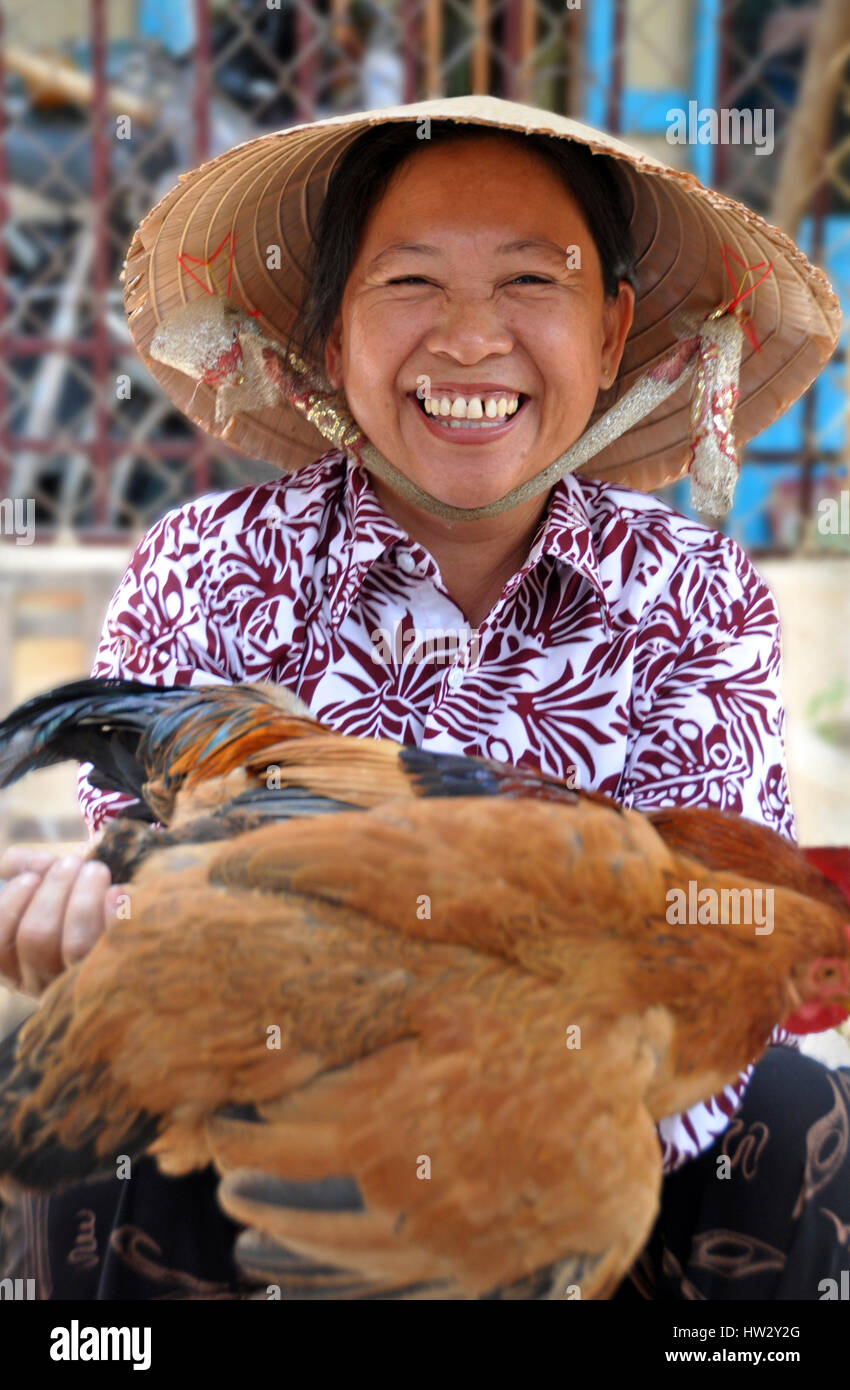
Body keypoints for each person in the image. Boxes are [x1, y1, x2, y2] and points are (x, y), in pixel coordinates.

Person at [0, 95, 844, 1300]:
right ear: (329, 336)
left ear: (609, 335)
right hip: (260, 1097)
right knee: (113, 1095)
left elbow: (709, 989)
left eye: (527, 284)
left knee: (796, 1109)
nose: (468, 339)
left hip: (576, 1150)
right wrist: (90, 929)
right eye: (408, 284)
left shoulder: (691, 594)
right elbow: (156, 886)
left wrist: (504, 1164)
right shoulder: (208, 563)